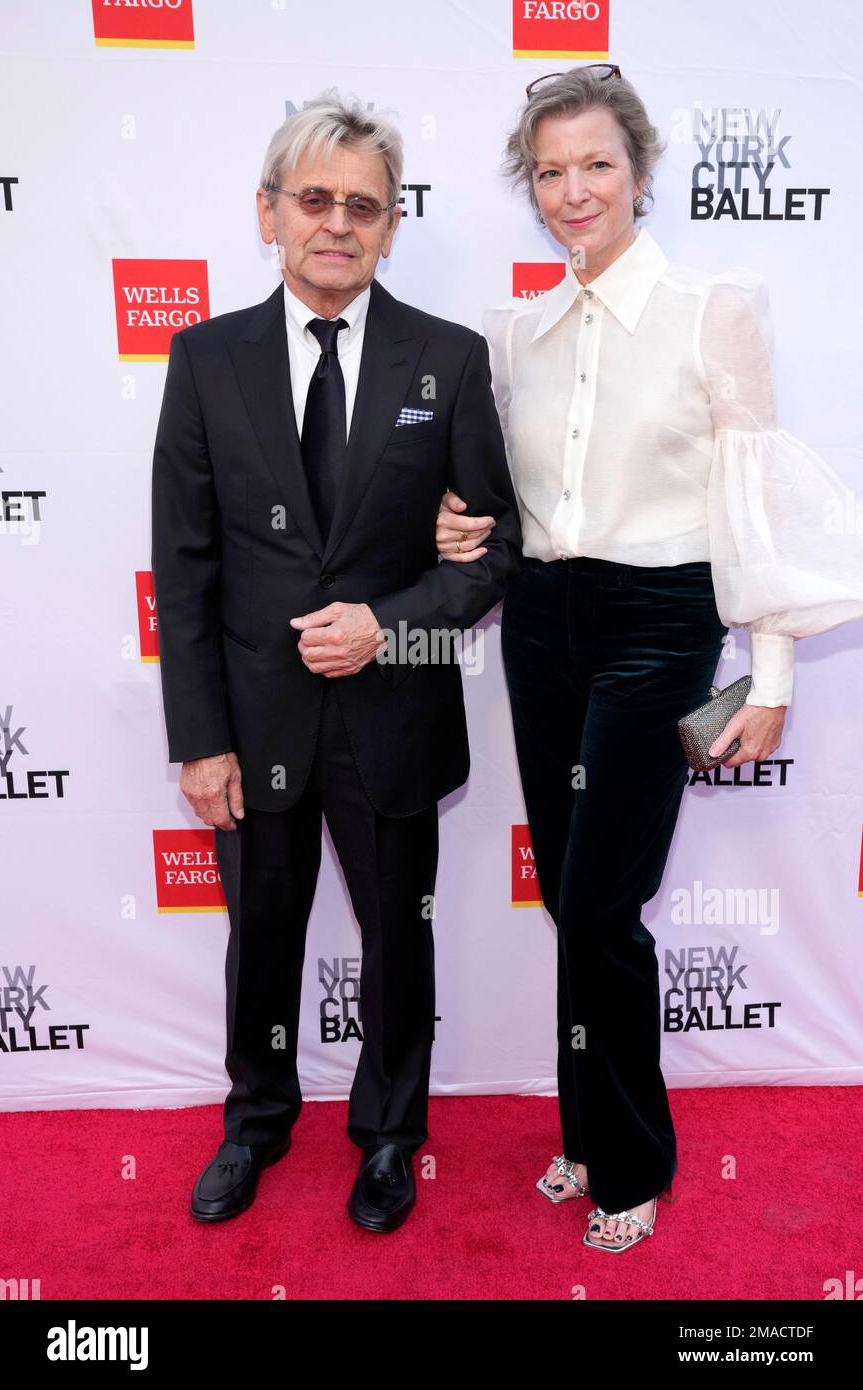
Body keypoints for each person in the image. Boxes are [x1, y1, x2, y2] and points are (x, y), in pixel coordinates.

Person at [436, 64, 863, 1252]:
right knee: (576, 897)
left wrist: (767, 675)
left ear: (638, 171)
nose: (575, 191)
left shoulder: (712, 306)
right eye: (551, 170)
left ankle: (632, 1157)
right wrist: (458, 529)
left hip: (660, 625)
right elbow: (504, 504)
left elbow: (751, 498)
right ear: (531, 185)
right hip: (540, 621)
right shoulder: (514, 333)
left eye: (597, 166)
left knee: (599, 901)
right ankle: (585, 1134)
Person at [151, 90, 521, 1233]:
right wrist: (200, 735)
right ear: (267, 212)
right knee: (261, 936)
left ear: (391, 226)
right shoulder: (204, 358)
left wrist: (386, 619)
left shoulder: (447, 361)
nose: (337, 223)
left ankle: (389, 1132)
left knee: (393, 936)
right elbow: (185, 562)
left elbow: (490, 550)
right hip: (255, 723)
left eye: (363, 205)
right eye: (313, 199)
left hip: (394, 712)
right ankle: (256, 1121)